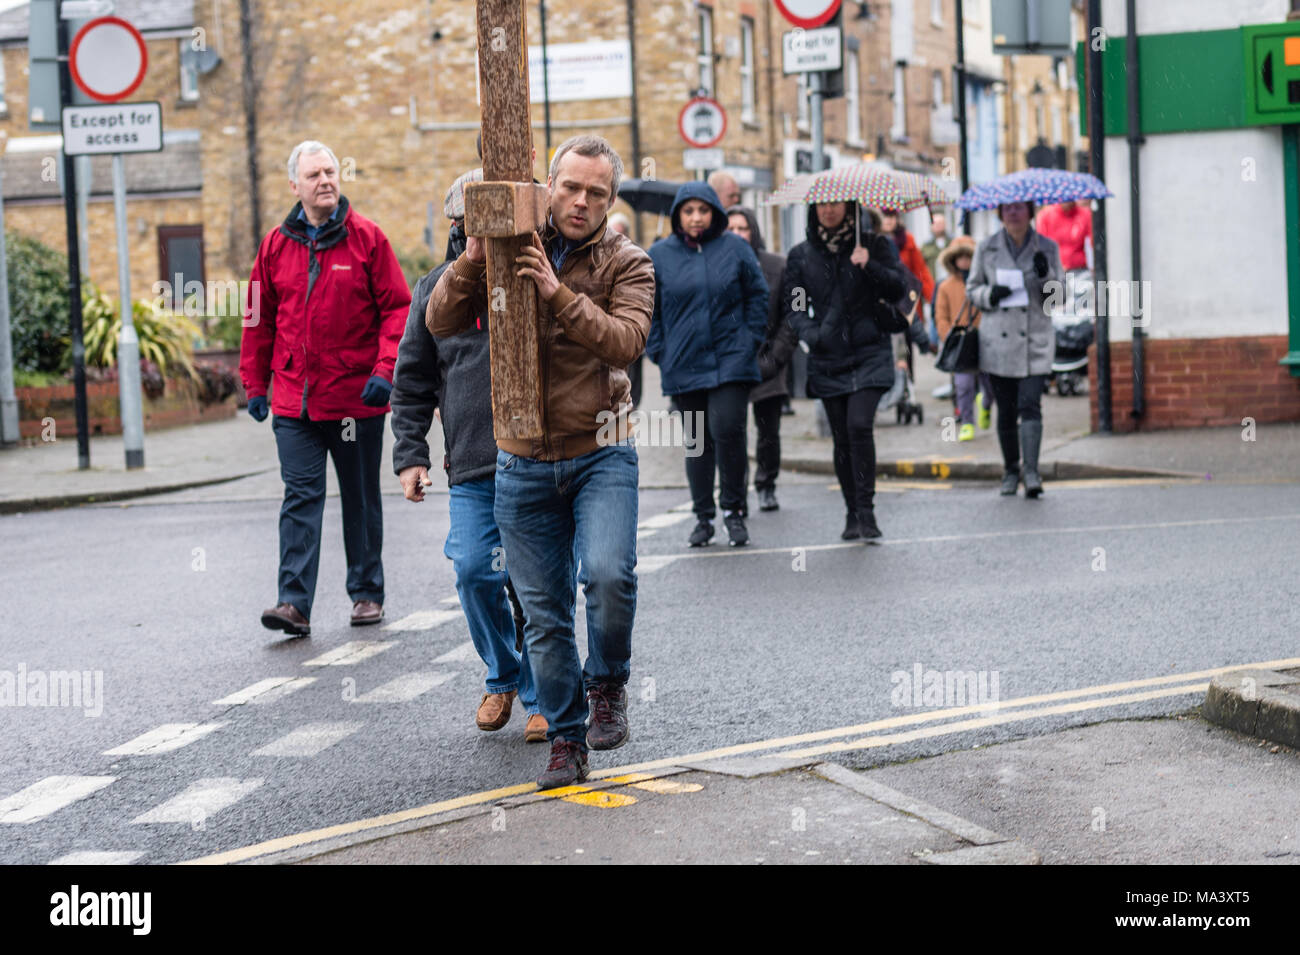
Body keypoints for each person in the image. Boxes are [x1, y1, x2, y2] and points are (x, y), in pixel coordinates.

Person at [427, 134, 655, 790]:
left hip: (601, 448)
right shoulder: (504, 246)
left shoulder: (627, 261)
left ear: (610, 201)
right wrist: (472, 259)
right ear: (549, 185)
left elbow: (626, 339)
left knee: (608, 575)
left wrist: (556, 292)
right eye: (571, 187)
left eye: (597, 193)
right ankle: (564, 735)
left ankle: (607, 681)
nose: (581, 201)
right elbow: (440, 319)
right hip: (522, 457)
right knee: (544, 608)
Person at [391, 171, 546, 744]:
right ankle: (503, 672)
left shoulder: (537, 278)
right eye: (472, 226)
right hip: (474, 466)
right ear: (459, 227)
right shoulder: (436, 290)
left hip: (536, 460)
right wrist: (411, 455)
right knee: (476, 570)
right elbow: (411, 380)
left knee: (534, 583)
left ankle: (539, 694)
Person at [240, 141, 410, 636]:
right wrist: (255, 383)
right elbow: (257, 318)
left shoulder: (367, 240)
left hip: (357, 401)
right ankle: (293, 603)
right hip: (295, 402)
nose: (326, 181)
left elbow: (397, 309)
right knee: (300, 496)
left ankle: (366, 593)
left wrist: (385, 371)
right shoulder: (275, 245)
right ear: (295, 185)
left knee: (358, 498)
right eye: (314, 174)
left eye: (331, 172)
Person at [646, 183, 768, 547]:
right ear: (678, 216)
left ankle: (733, 510)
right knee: (697, 442)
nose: (696, 217)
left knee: (728, 429)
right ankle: (703, 516)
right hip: (684, 363)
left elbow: (758, 294)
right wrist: (659, 350)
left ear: (715, 212)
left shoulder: (736, 248)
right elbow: (649, 307)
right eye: (688, 211)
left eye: (703, 209)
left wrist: (750, 340)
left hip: (732, 359)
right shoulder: (659, 254)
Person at [784, 201, 908, 540]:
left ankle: (867, 511)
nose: (828, 210)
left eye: (835, 204)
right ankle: (851, 511)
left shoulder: (874, 245)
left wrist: (870, 266)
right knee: (841, 437)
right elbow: (794, 306)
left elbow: (900, 288)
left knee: (858, 426)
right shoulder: (801, 255)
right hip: (828, 355)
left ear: (850, 207)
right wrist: (811, 335)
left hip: (870, 351)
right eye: (822, 205)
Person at [965, 201, 1064, 498]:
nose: (1013, 213)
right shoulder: (986, 248)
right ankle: (1010, 470)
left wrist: (1046, 276)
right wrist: (989, 294)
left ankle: (1031, 473)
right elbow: (972, 290)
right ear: (999, 213)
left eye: (1019, 208)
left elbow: (1057, 299)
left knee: (1030, 404)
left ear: (1030, 212)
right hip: (998, 343)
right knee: (1006, 410)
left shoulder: (1046, 247)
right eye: (1007, 208)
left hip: (1035, 340)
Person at [727, 204, 795, 513]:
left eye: (743, 228)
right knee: (732, 433)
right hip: (731, 364)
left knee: (769, 431)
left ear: (754, 231)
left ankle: (767, 484)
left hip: (769, 360)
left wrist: (775, 358)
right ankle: (735, 493)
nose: (738, 235)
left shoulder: (777, 266)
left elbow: (791, 318)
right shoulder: (716, 265)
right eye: (731, 229)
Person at [933, 235, 993, 442]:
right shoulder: (946, 286)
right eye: (960, 258)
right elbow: (940, 316)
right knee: (964, 385)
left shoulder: (985, 282)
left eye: (968, 257)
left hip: (985, 339)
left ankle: (985, 405)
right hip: (960, 343)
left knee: (990, 384)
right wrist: (949, 338)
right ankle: (967, 422)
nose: (964, 262)